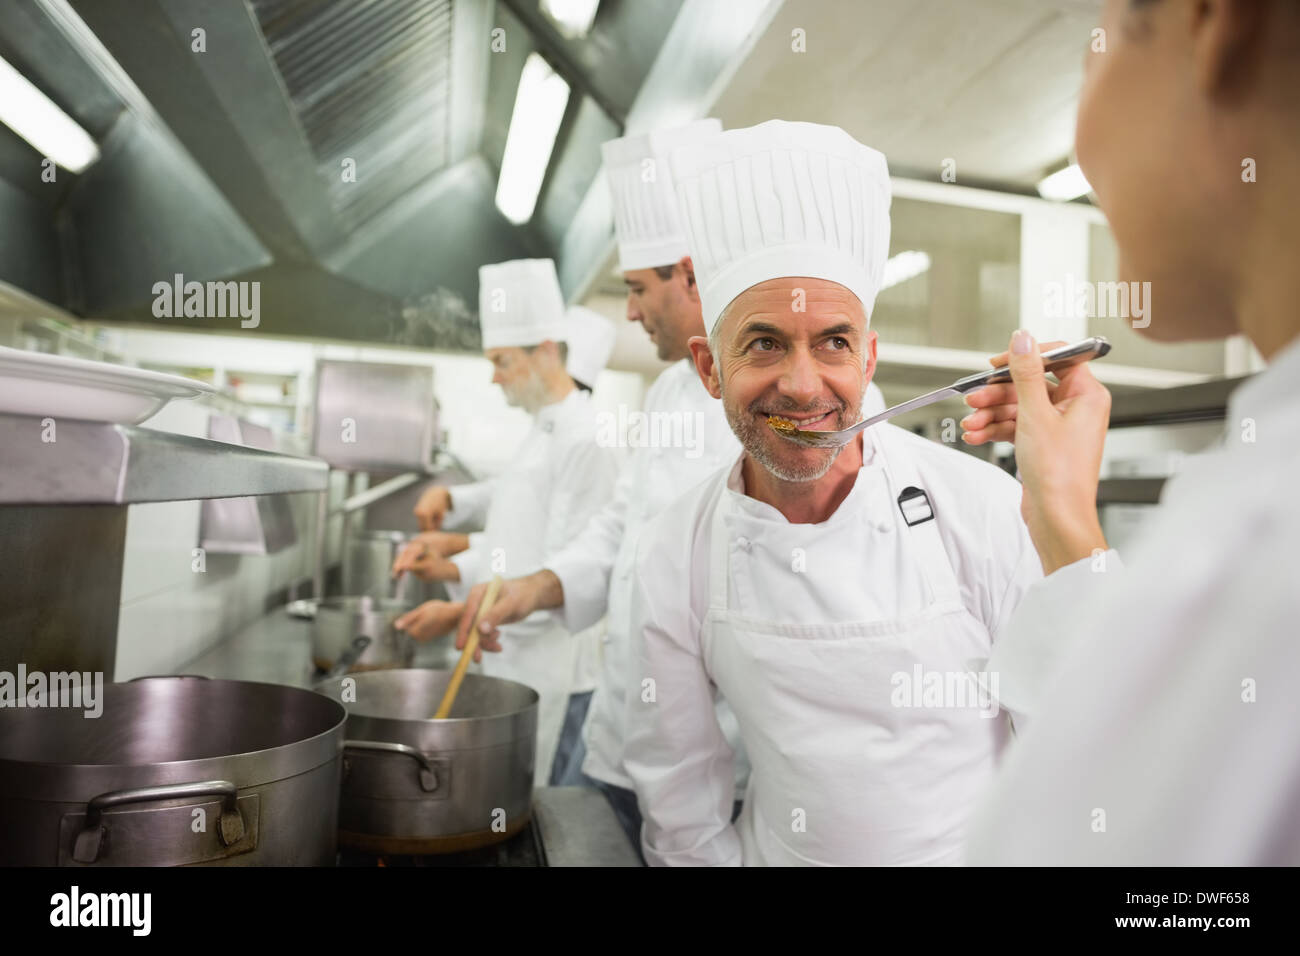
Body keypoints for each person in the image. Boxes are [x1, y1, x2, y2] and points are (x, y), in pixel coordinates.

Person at [619, 120, 1044, 866]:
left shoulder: (979, 508)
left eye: (834, 342)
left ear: (869, 355)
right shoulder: (676, 551)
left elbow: (1063, 743)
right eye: (764, 343)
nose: (804, 385)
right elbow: (678, 795)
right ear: (709, 367)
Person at [960, 0, 1300, 865]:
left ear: (1214, 22)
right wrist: (1064, 518)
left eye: (1094, 54)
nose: (1083, 138)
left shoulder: (1258, 541)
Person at [451, 120, 750, 849]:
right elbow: (620, 528)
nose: (630, 310)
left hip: (708, 755)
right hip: (624, 726)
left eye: (638, 288)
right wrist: (534, 586)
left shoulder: (752, 406)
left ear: (689, 272)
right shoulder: (669, 394)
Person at [394, 258, 621, 786]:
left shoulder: (586, 437)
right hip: (507, 647)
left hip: (547, 664)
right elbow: (513, 526)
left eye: (501, 360)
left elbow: (565, 567)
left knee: (532, 810)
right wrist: (457, 554)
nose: (494, 377)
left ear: (545, 350)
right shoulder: (545, 428)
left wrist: (465, 608)